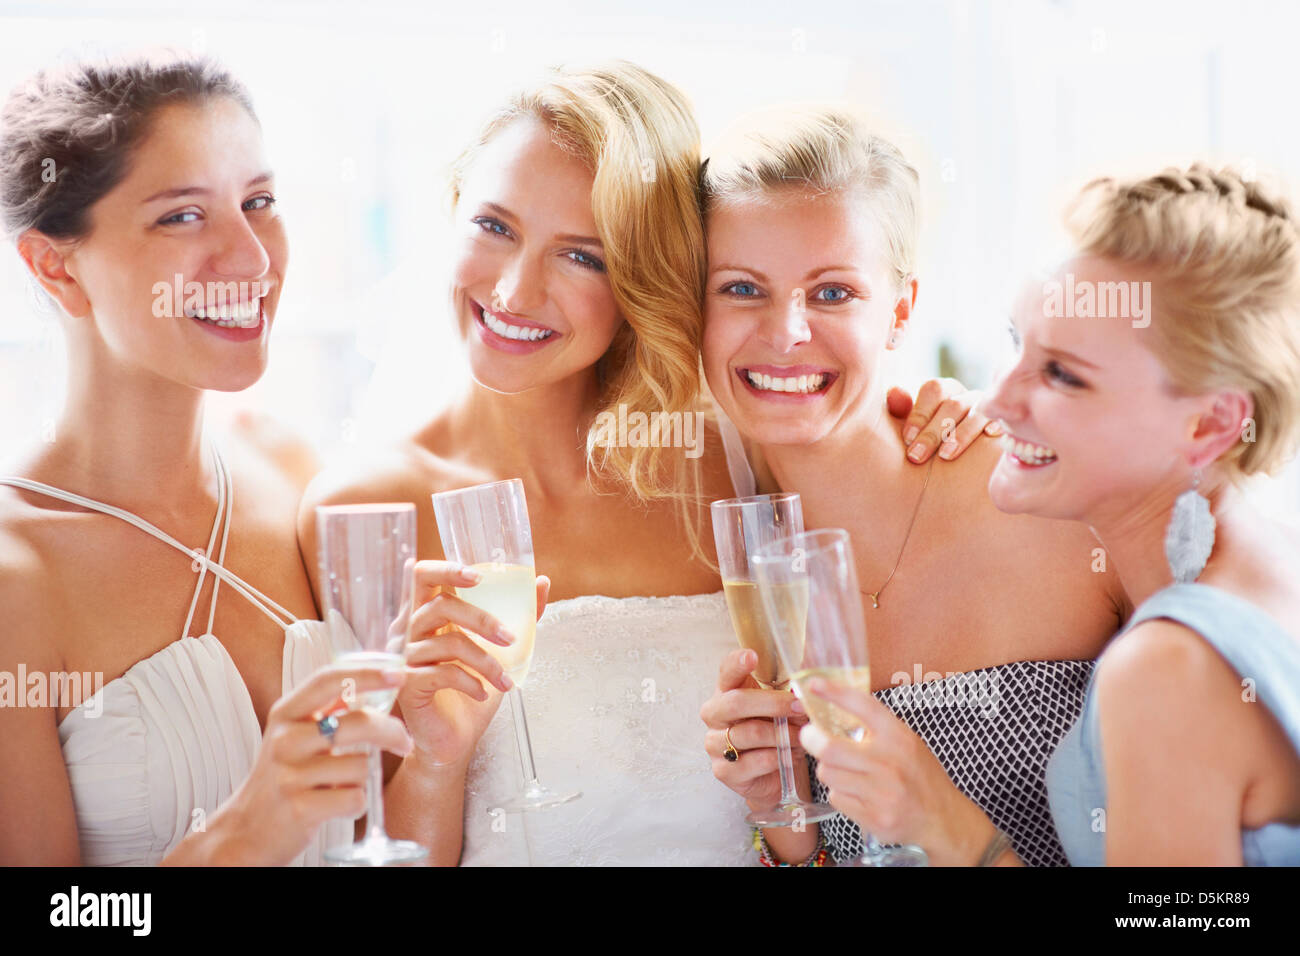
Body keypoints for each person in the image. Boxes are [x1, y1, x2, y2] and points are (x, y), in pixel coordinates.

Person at [300, 64, 983, 865]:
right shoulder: (364, 512)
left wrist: (957, 402)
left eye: (582, 257)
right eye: (494, 225)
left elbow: (796, 810)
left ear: (642, 278)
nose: (516, 291)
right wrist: (437, 759)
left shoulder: (730, 459)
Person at [0, 53, 506, 866]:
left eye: (259, 203)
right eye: (182, 217)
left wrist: (436, 757)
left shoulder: (297, 478)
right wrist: (250, 828)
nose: (253, 259)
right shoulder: (14, 574)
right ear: (56, 266)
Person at [803, 164, 1300, 865]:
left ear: (1210, 425)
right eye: (1016, 345)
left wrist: (948, 826)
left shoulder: (1166, 671)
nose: (996, 400)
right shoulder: (1270, 558)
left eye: (1064, 374)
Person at [697, 105, 1132, 866]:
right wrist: (786, 827)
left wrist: (954, 831)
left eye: (832, 292)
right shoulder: (736, 566)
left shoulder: (1055, 499)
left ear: (899, 313)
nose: (786, 331)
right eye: (741, 288)